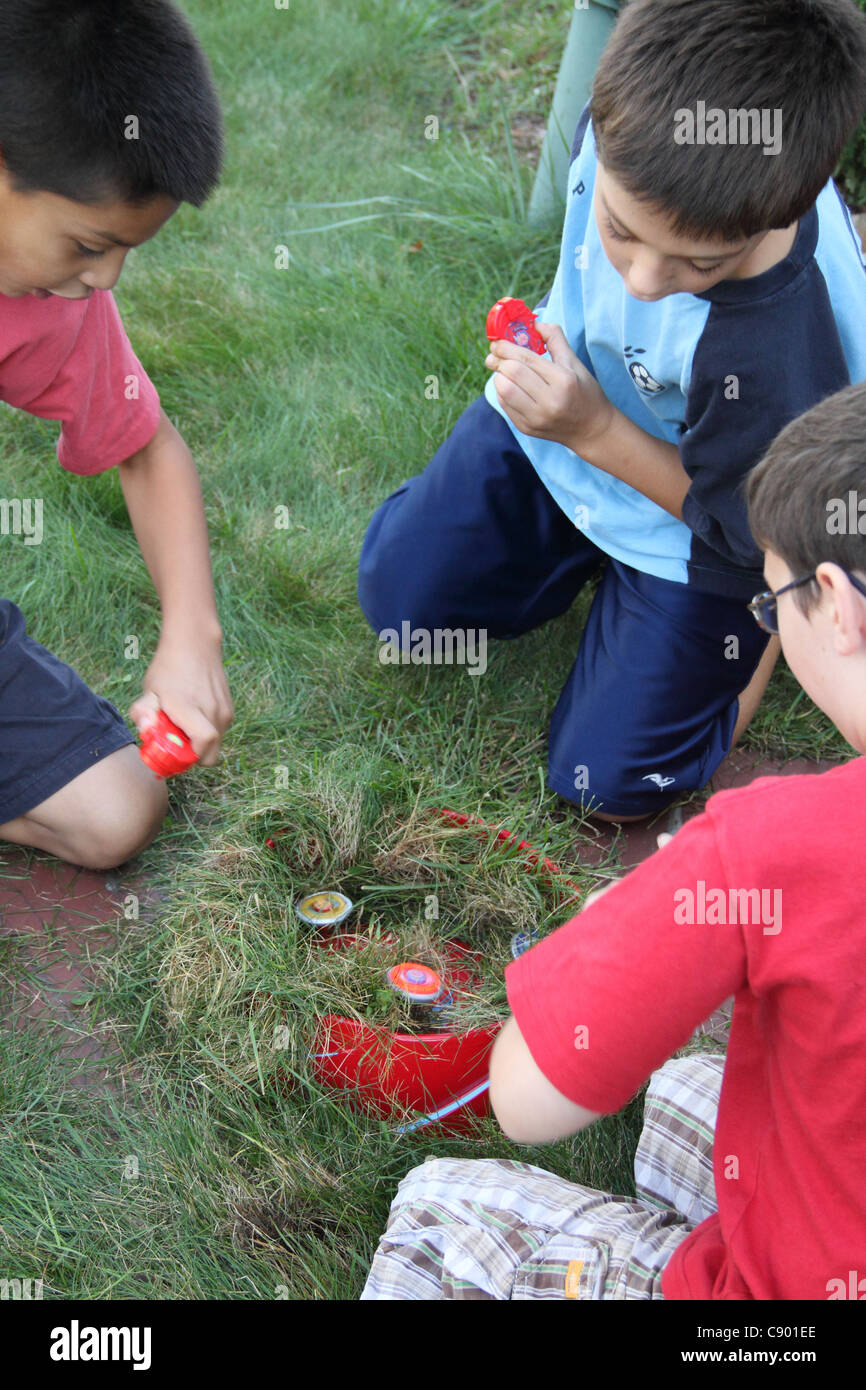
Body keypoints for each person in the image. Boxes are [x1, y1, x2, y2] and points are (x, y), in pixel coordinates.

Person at [362, 379, 866, 1301]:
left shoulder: (770, 847)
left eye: (770, 603)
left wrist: (615, 936)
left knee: (436, 1208)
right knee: (683, 1094)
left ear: (836, 601)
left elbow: (527, 1103)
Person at [357, 0, 866, 823]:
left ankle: (765, 629)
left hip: (712, 522)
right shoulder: (637, 123)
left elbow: (750, 526)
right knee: (401, 604)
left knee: (609, 784)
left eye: (697, 262)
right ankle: (580, 564)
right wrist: (574, 420)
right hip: (573, 417)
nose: (643, 281)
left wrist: (593, 429)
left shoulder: (774, 347)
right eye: (622, 232)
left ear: (779, 213)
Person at [0, 1, 232, 871]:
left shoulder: (51, 302)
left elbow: (148, 449)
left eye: (124, 251)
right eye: (88, 244)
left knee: (117, 810)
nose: (105, 279)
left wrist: (189, 638)